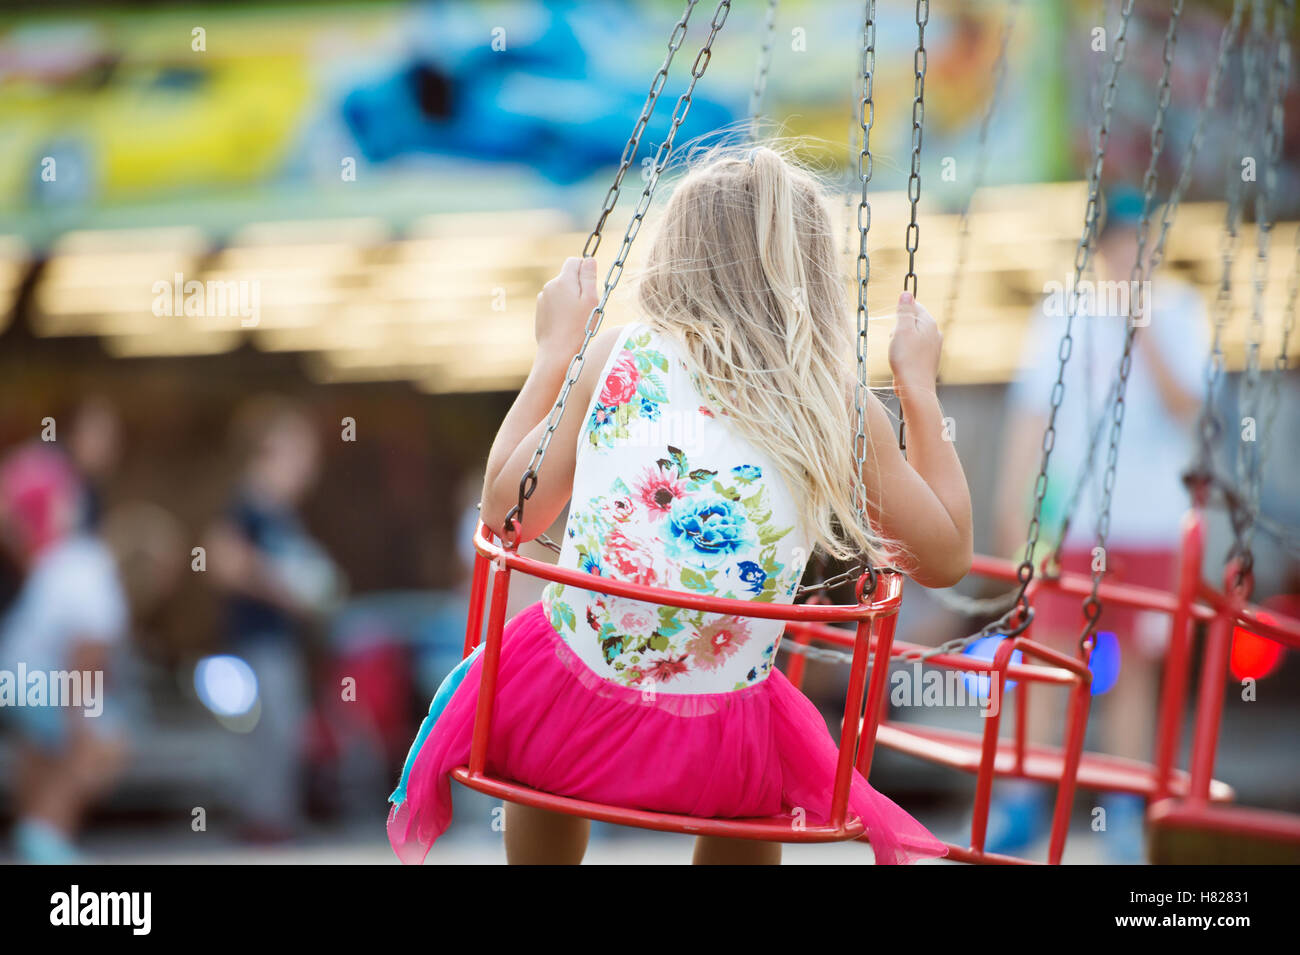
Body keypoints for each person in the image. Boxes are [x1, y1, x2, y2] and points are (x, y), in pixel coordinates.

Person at [388, 145, 973, 865]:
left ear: (676, 253)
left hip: (570, 702)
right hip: (722, 741)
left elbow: (508, 513)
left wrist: (554, 353)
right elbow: (946, 558)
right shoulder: (835, 407)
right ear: (813, 273)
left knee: (541, 708)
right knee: (760, 762)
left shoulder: (620, 354)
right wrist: (918, 388)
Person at [990, 187, 1209, 861]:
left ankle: (1122, 807)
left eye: (1141, 246)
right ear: (1097, 250)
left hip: (1150, 521)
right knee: (1050, 653)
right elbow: (1034, 418)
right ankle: (1021, 798)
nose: (1129, 259)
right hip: (1079, 522)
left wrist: (1142, 330)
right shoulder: (1062, 316)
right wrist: (1012, 504)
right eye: (1118, 246)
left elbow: (1189, 412)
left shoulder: (1182, 313)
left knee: (1137, 669)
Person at [205, 397, 340, 842]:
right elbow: (220, 560)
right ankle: (264, 822)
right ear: (269, 452)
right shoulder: (249, 504)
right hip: (256, 640)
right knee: (270, 730)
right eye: (299, 456)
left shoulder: (281, 514)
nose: (308, 470)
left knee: (285, 729)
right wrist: (282, 587)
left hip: (278, 642)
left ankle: (275, 817)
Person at [0, 444, 130, 863]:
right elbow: (87, 651)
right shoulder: (86, 563)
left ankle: (36, 835)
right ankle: (46, 841)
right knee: (106, 742)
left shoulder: (46, 568)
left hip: (14, 682)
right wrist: (84, 722)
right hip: (45, 682)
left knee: (40, 753)